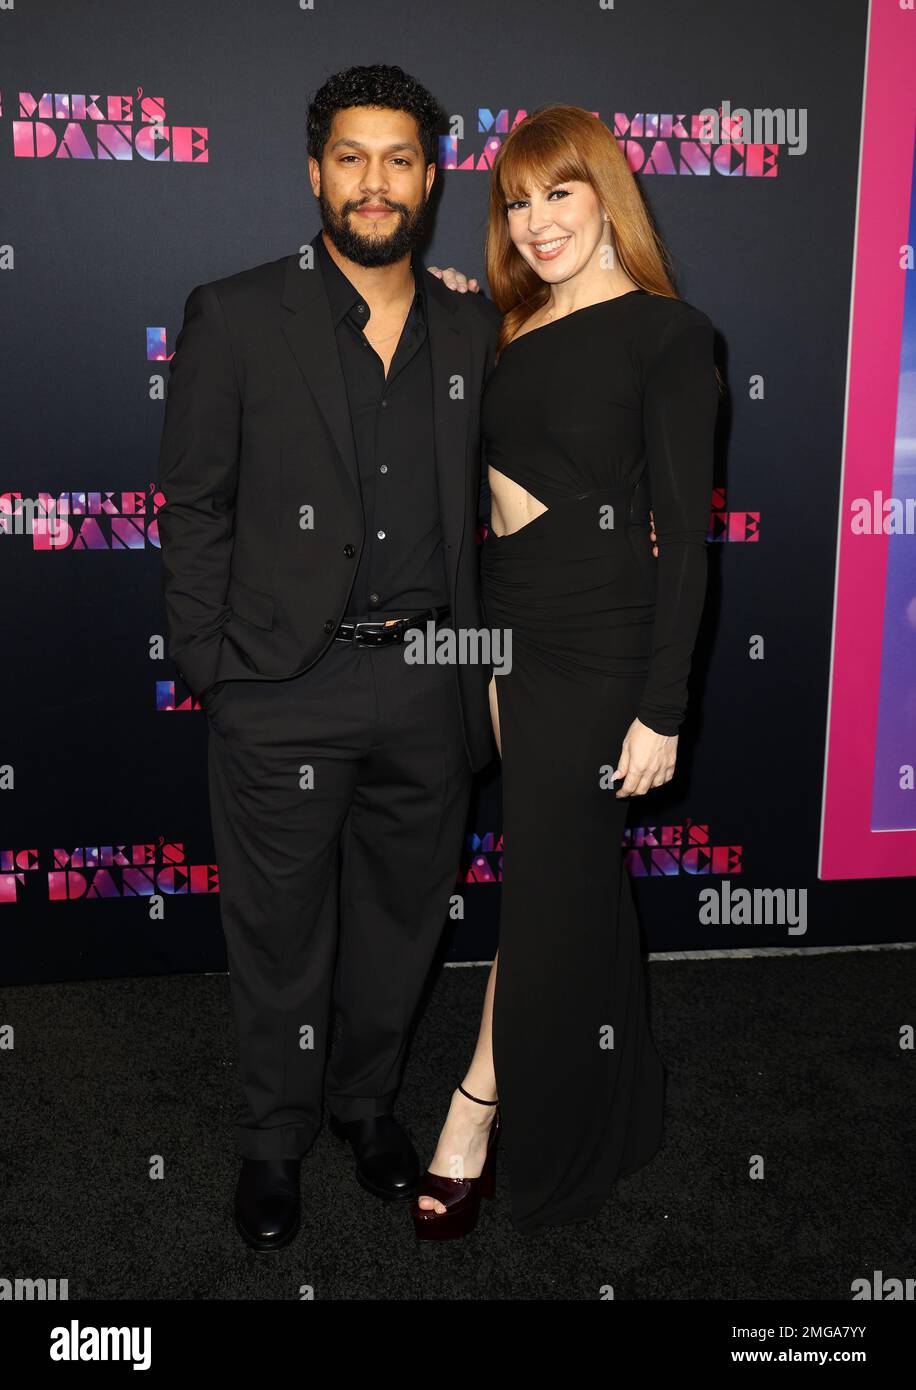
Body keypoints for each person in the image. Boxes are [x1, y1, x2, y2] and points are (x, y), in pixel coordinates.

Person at [156, 64, 503, 1252]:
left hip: (429, 681)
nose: (374, 182)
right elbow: (194, 503)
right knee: (278, 930)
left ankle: (364, 1105)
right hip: (279, 687)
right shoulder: (236, 312)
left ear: (431, 176)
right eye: (350, 157)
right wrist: (214, 669)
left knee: (403, 922)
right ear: (314, 173)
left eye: (398, 158)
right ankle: (272, 1136)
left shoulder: (473, 322)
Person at [411, 103, 720, 1238]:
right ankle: (622, 1096)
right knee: (569, 877)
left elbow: (683, 536)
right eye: (516, 201)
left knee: (544, 880)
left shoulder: (669, 334)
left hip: (600, 638)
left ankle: (475, 1110)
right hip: (506, 622)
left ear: (606, 196)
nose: (536, 222)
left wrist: (661, 707)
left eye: (559, 194)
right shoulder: (504, 326)